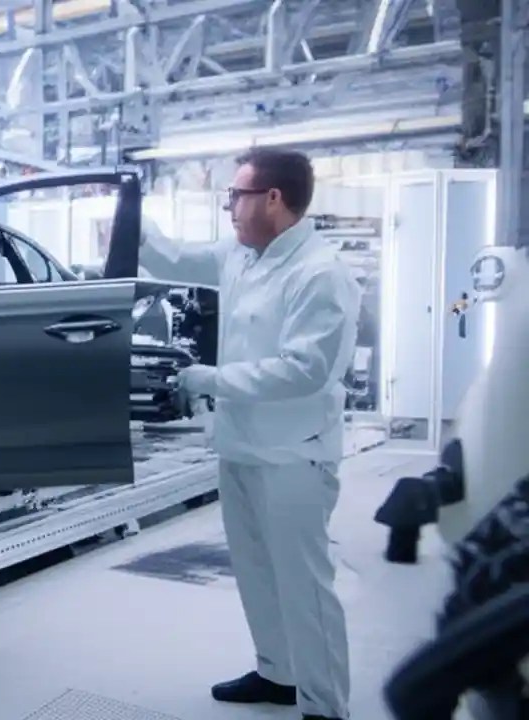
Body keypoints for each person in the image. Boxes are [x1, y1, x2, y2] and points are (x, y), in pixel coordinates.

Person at [139, 146, 362, 720]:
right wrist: (129, 209)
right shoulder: (242, 255)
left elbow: (305, 370)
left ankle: (325, 704)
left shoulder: (319, 274)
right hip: (241, 446)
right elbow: (173, 257)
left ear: (273, 198)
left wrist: (207, 379)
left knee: (304, 586)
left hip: (293, 455)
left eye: (236, 196)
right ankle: (278, 674)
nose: (229, 208)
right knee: (256, 572)